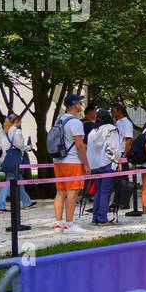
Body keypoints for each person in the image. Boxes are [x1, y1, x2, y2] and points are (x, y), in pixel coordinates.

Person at [50, 94, 89, 232]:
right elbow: (79, 146)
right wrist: (86, 164)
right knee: (73, 192)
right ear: (74, 104)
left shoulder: (59, 120)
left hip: (58, 161)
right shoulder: (76, 122)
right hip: (72, 161)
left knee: (60, 191)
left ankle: (59, 223)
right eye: (79, 102)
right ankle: (69, 224)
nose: (81, 104)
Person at [85, 111, 123, 225]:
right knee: (106, 191)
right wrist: (118, 160)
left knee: (99, 191)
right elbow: (115, 148)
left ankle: (95, 217)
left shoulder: (93, 131)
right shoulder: (112, 130)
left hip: (95, 165)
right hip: (107, 163)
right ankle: (102, 218)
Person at [0, 113, 35, 213]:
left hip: (8, 158)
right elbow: (19, 145)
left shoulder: (6, 131)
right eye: (20, 121)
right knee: (9, 182)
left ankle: (27, 202)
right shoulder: (17, 131)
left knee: (20, 181)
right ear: (17, 121)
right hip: (15, 159)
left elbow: (0, 147)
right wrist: (28, 147)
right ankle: (0, 204)